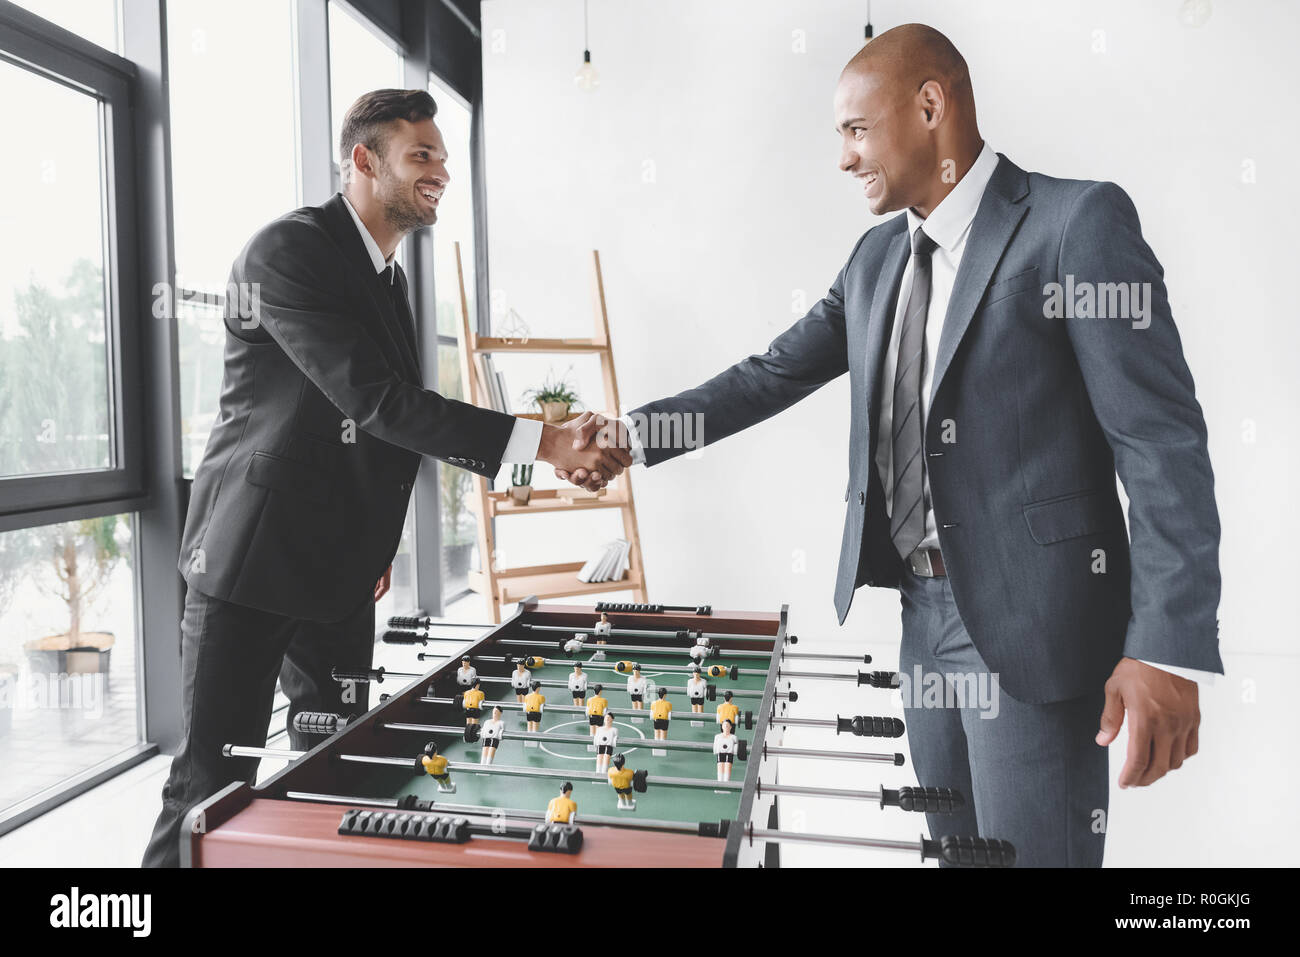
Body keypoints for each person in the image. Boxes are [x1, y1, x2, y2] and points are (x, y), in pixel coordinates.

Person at [556, 24, 1222, 867]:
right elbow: (770, 374)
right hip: (921, 619)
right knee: (959, 856)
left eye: (854, 130)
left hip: (1036, 625)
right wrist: (631, 436)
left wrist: (1162, 643)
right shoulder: (875, 260)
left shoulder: (1073, 223)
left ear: (932, 105)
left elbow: (1160, 440)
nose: (842, 159)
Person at [142, 87, 630, 867]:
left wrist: (372, 548)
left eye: (442, 154)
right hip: (247, 565)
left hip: (335, 576)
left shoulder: (391, 279)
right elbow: (378, 404)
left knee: (336, 767)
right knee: (210, 784)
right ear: (364, 161)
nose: (440, 170)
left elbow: (379, 436)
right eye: (422, 154)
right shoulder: (287, 251)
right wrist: (544, 443)